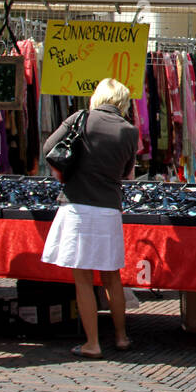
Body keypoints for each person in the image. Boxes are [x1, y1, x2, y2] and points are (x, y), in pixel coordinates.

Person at [41, 79, 139, 358]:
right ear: (122, 101)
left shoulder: (81, 119)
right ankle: (121, 337)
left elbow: (50, 146)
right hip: (109, 207)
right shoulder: (130, 132)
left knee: (83, 278)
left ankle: (92, 343)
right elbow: (126, 172)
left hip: (77, 205)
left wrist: (64, 174)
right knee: (112, 277)